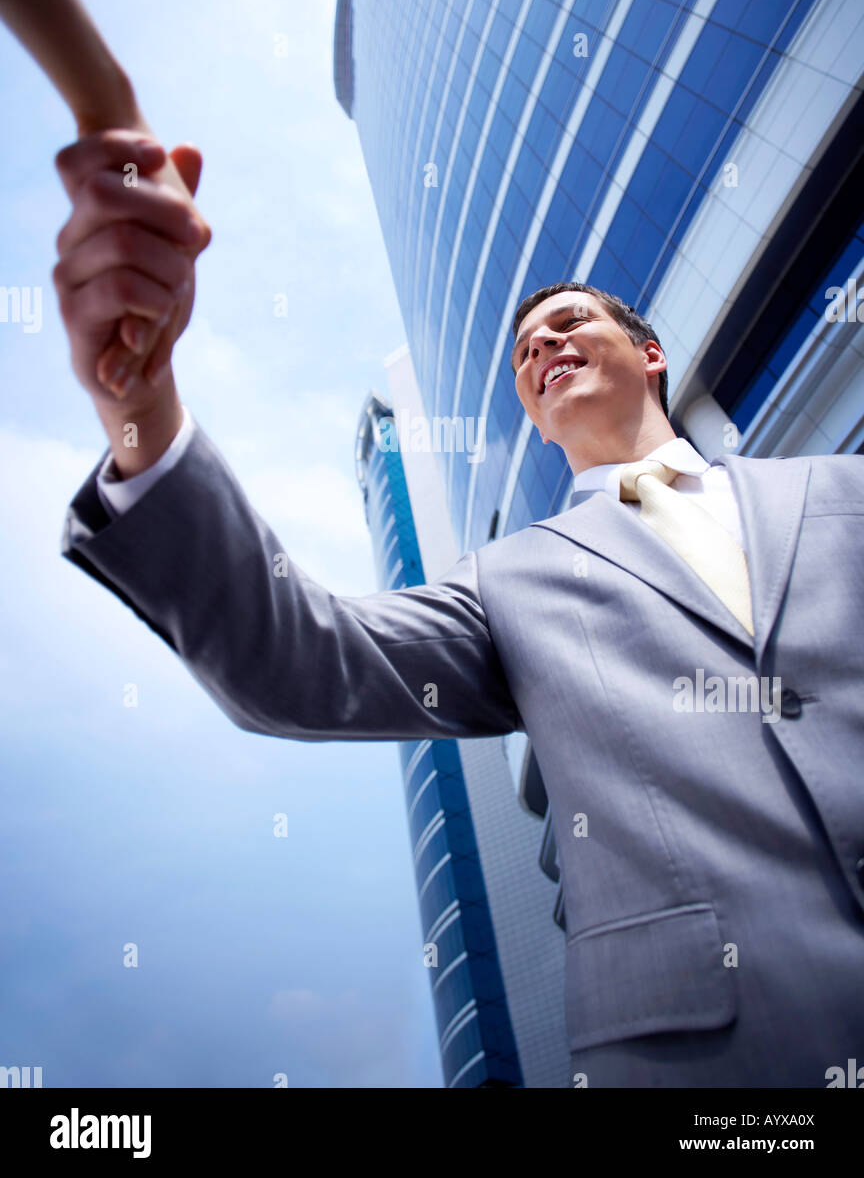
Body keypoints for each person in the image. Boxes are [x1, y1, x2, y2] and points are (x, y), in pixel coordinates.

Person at [53, 129, 864, 1089]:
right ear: (532, 407)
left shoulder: (837, 492)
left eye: (567, 325)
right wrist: (143, 409)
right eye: (526, 352)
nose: (543, 347)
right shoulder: (508, 584)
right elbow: (302, 660)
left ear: (650, 354)